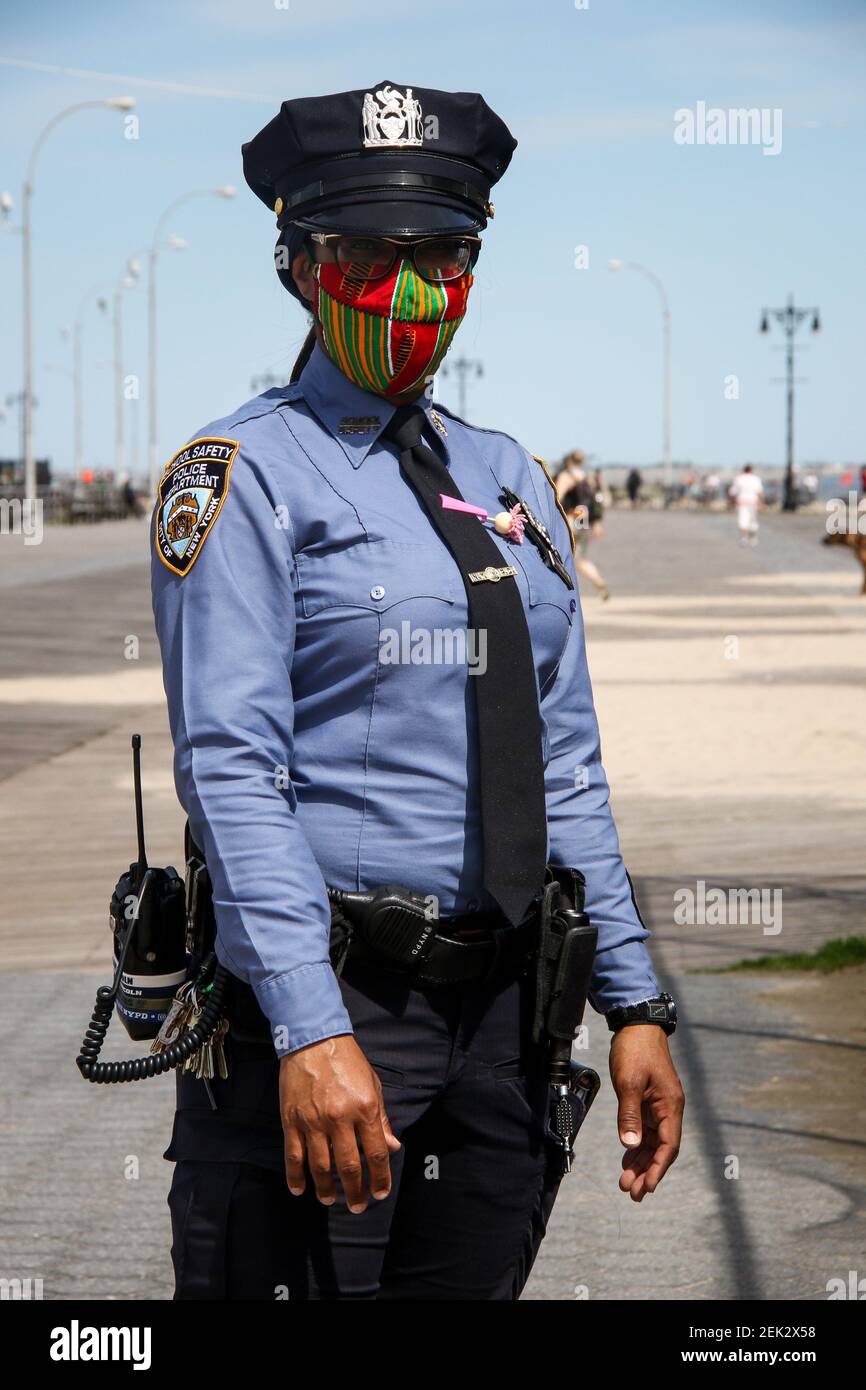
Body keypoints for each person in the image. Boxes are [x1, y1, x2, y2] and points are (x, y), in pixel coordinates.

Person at [152, 80, 683, 1301]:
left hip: (502, 1018)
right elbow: (233, 766)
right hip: (335, 1008)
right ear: (296, 262)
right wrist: (308, 1026)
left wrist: (634, 996)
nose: (410, 285)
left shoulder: (507, 477)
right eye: (368, 252)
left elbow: (565, 764)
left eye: (442, 250)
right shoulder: (242, 476)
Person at [556, 450, 610, 600]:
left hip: (571, 520)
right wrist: (597, 524)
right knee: (579, 559)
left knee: (566, 559)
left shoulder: (566, 476)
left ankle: (569, 594)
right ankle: (598, 582)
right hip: (584, 523)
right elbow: (594, 502)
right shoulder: (587, 478)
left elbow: (557, 499)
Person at [729, 463, 765, 545]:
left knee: (743, 520)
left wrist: (731, 502)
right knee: (753, 520)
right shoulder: (756, 479)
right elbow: (760, 492)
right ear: (751, 470)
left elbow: (732, 492)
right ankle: (753, 538)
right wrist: (762, 502)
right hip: (753, 502)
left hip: (741, 502)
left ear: (743, 470)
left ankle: (743, 538)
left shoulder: (739, 479)